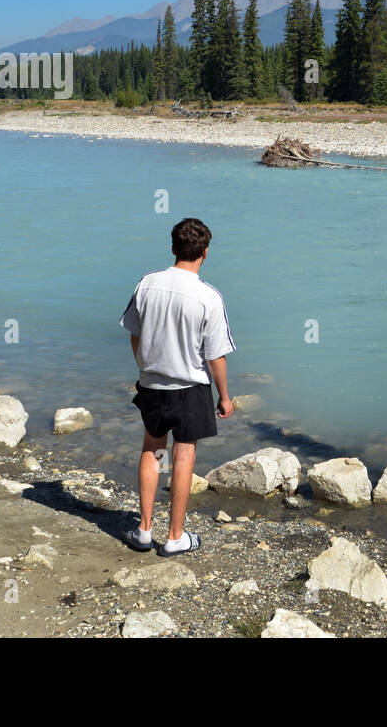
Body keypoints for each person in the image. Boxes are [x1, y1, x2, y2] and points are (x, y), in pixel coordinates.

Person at [120, 218, 235, 556]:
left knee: (153, 449)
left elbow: (134, 333)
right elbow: (216, 357)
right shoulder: (208, 297)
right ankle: (175, 536)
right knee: (184, 455)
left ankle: (143, 530)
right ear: (205, 253)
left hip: (152, 383)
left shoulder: (147, 284)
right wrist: (225, 397)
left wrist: (144, 367)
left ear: (173, 248)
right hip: (190, 387)